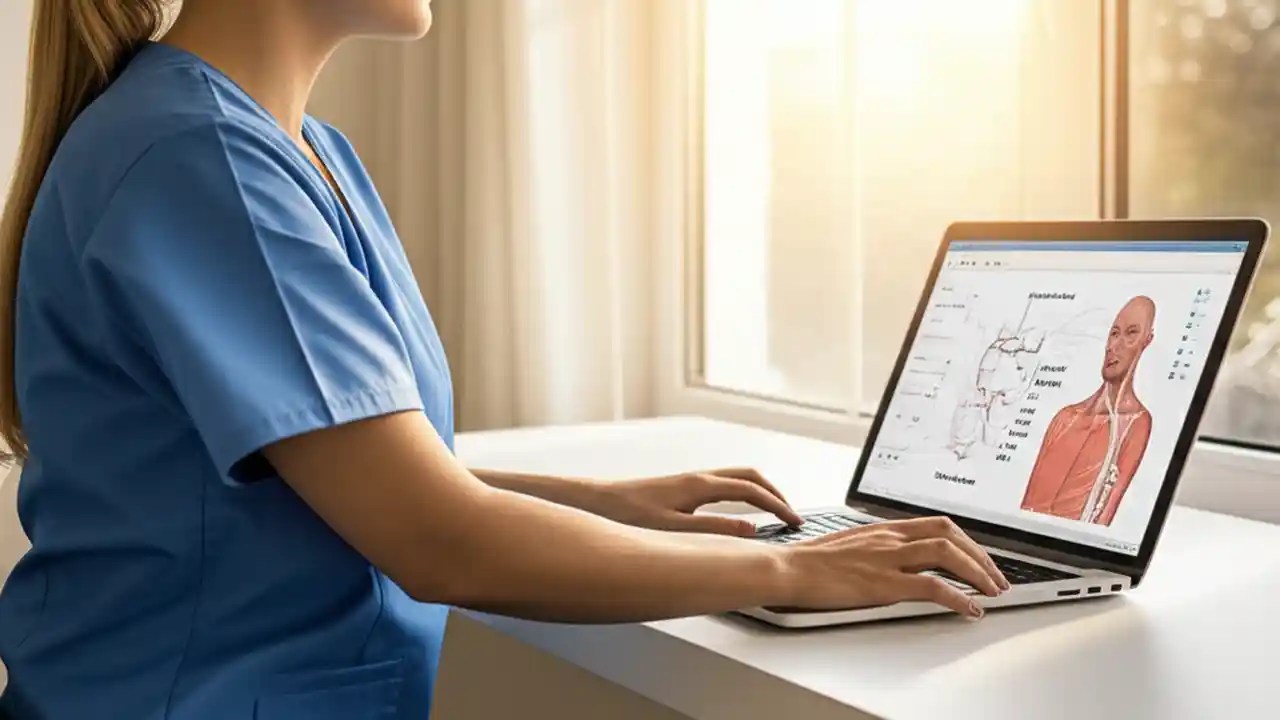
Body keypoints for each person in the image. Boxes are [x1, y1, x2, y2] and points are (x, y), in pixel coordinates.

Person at [0, 1, 1008, 717]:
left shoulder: (295, 150)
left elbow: (344, 474)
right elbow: (439, 540)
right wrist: (787, 569)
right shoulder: (199, 157)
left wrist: (593, 500)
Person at [1020, 296, 1155, 525]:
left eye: (1131, 333)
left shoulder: (1136, 423)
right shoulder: (1065, 418)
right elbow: (1026, 508)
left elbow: (1103, 519)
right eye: (1114, 333)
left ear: (1147, 340)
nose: (1114, 346)